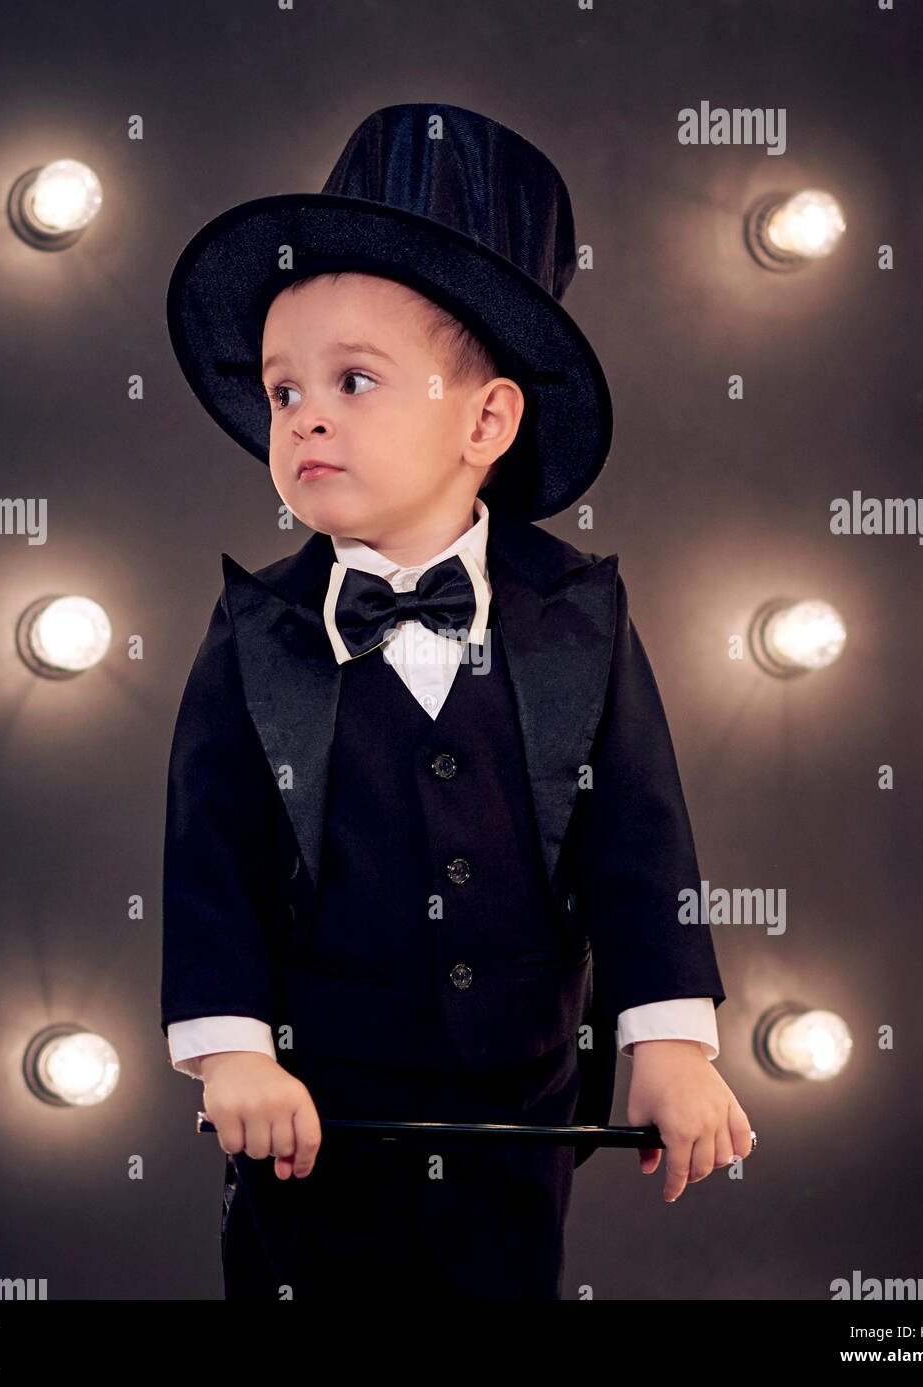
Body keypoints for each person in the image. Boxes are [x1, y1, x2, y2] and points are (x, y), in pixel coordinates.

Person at [161, 103, 753, 1301]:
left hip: (517, 1103)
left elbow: (639, 838)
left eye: (354, 379)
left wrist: (672, 1040)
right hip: (315, 1104)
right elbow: (209, 856)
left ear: (486, 419)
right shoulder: (257, 628)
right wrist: (232, 1054)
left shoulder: (578, 613)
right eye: (282, 391)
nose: (305, 414)